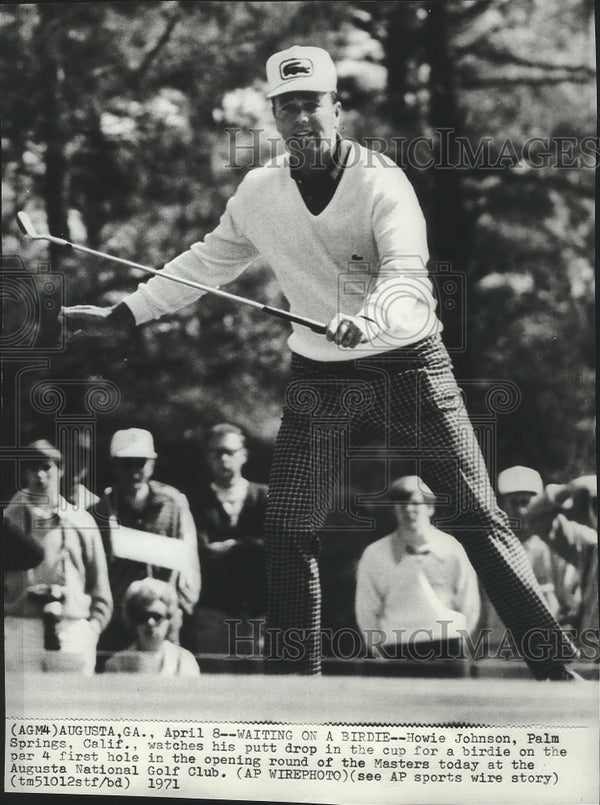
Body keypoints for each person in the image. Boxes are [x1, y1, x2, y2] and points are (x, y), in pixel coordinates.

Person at [60, 45, 579, 679]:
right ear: (274, 116)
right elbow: (205, 262)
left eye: (312, 104)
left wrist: (368, 319)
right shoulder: (258, 191)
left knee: (477, 514)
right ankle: (298, 682)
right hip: (321, 374)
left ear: (337, 106)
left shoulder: (381, 180)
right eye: (287, 107)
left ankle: (554, 666)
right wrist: (125, 315)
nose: (301, 119)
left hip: (410, 363)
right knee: (287, 525)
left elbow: (408, 274)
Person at [4, 440, 112, 675]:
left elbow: (100, 586)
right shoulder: (8, 521)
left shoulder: (81, 521)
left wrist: (91, 629)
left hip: (72, 627)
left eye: (46, 467)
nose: (40, 475)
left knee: (73, 708)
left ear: (61, 469)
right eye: (32, 468)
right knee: (21, 709)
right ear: (24, 472)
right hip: (21, 626)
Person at [91, 428, 201, 654]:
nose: (133, 471)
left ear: (151, 464)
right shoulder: (99, 511)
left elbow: (188, 562)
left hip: (161, 616)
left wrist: (179, 609)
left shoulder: (173, 504)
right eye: (126, 463)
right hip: (117, 617)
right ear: (113, 465)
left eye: (139, 463)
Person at [355, 476, 480, 666]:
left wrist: (461, 642)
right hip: (395, 649)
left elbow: (469, 601)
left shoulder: (451, 548)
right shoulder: (375, 554)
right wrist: (376, 649)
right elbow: (366, 608)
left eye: (415, 503)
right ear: (394, 509)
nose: (408, 510)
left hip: (447, 647)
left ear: (430, 507)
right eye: (401, 504)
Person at [183, 423, 268, 653]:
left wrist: (229, 548)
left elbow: (273, 549)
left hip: (260, 611)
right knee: (215, 683)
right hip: (213, 610)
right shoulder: (194, 501)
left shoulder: (265, 497)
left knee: (262, 684)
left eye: (229, 452)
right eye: (216, 452)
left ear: (243, 455)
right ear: (207, 457)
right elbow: (201, 552)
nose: (223, 459)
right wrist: (248, 547)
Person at [478, 466, 580, 648]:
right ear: (502, 505)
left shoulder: (556, 546)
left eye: (526, 502)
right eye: (513, 503)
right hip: (500, 646)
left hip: (545, 647)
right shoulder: (489, 547)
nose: (520, 511)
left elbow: (570, 602)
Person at [525, 475, 598, 655]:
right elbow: (536, 520)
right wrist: (566, 489)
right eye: (595, 506)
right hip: (592, 657)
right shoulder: (590, 547)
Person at [104, 578, 200, 676]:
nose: (150, 622)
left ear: (169, 619)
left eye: (157, 616)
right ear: (133, 620)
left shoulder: (184, 660)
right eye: (142, 616)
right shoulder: (116, 664)